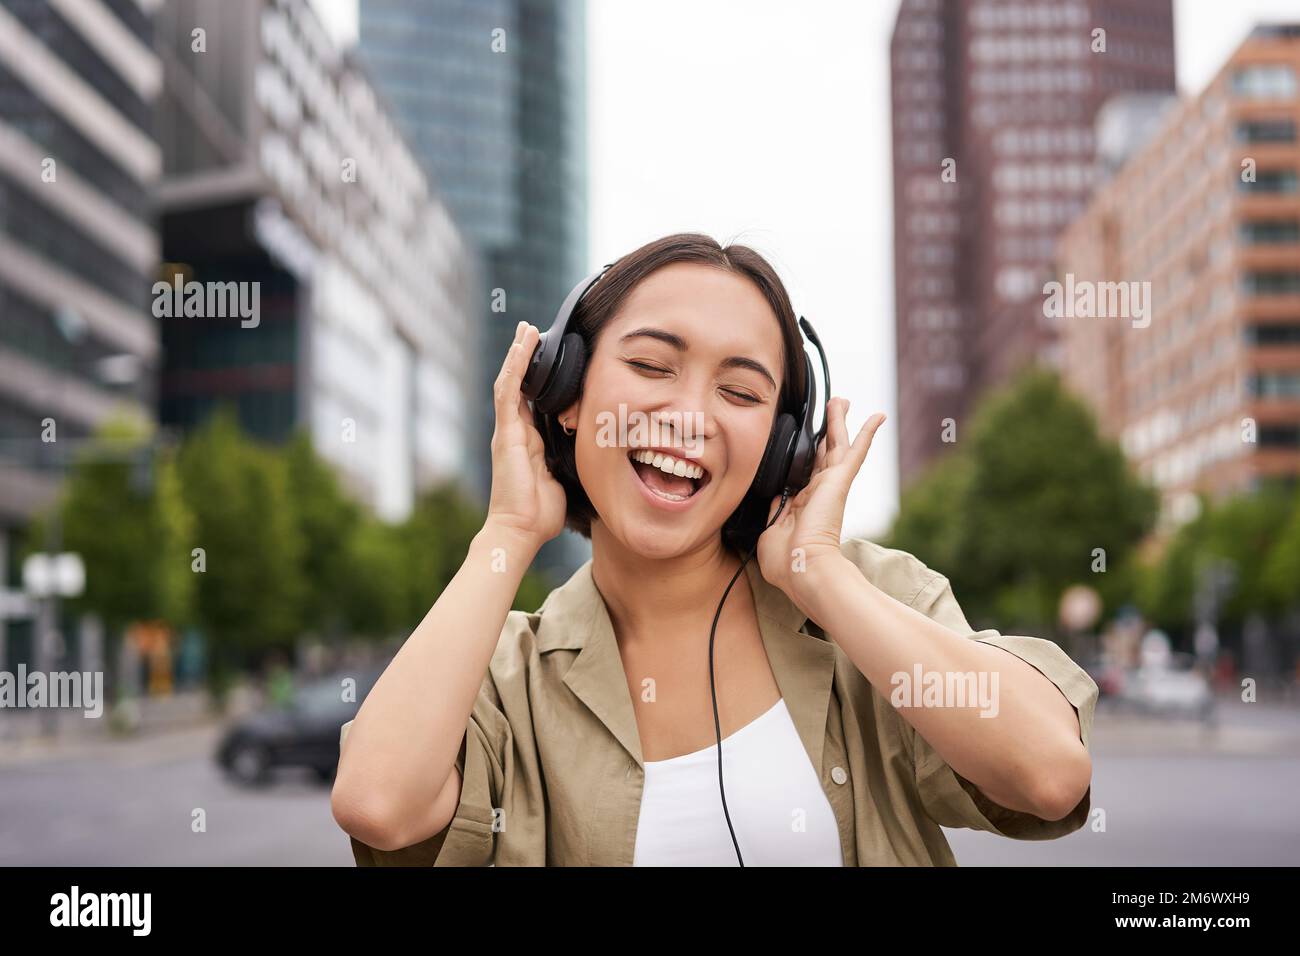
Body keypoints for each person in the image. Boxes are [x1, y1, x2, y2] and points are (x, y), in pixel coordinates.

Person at [331, 233, 1097, 866]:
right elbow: (377, 805)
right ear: (565, 392)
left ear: (781, 449)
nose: (689, 416)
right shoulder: (507, 676)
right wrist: (505, 535)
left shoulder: (866, 602)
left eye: (740, 393)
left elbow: (1049, 773)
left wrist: (820, 576)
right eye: (651, 366)